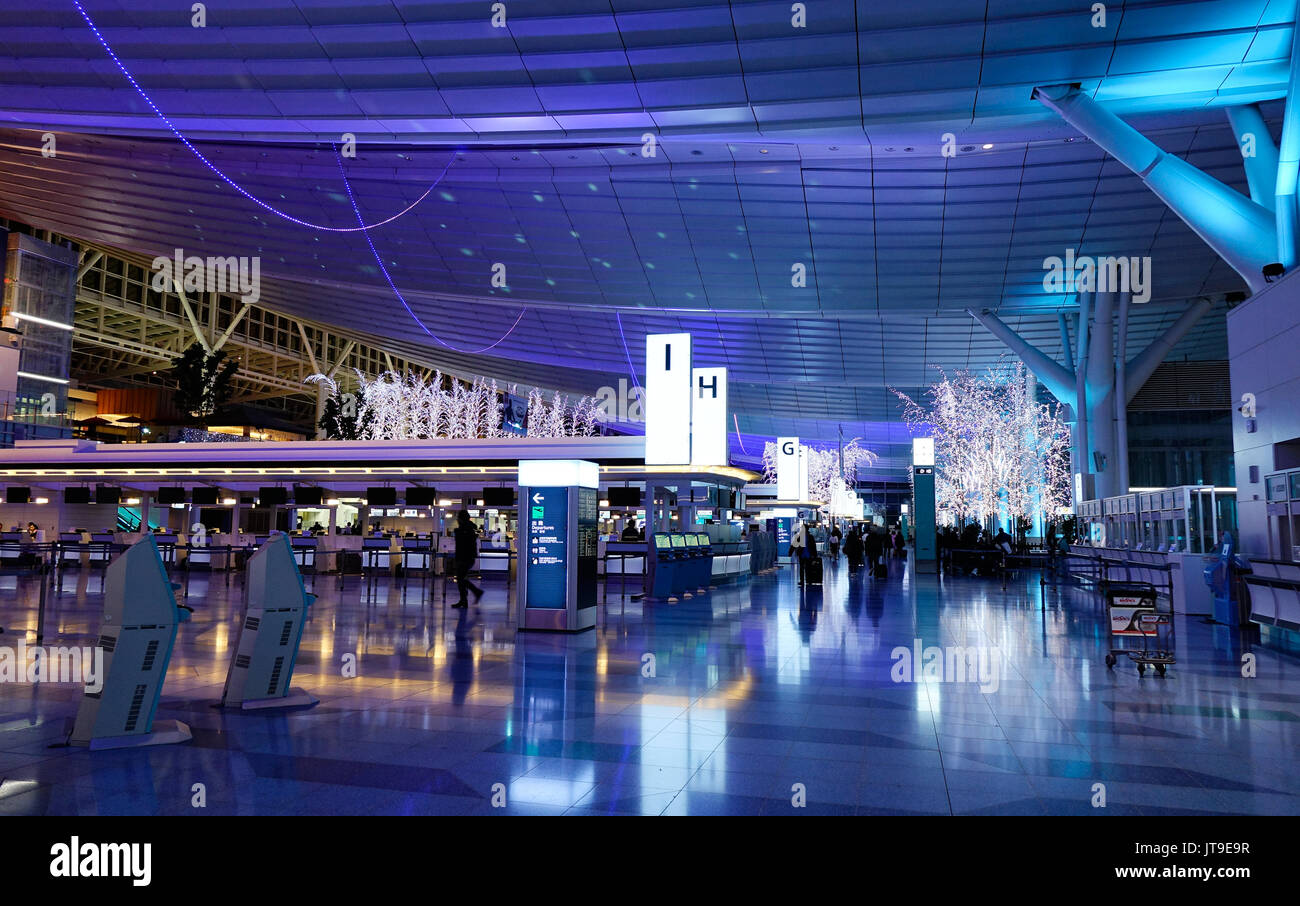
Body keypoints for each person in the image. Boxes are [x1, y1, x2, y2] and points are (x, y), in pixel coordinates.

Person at [452, 510, 483, 608]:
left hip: (464, 558)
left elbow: (463, 544)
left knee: (460, 579)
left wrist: (458, 532)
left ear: (461, 519)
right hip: (468, 557)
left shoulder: (465, 530)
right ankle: (464, 600)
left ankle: (474, 593)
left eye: (458, 518)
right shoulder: (469, 529)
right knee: (461, 579)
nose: (457, 520)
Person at [790, 519, 810, 585]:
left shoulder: (807, 537)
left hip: (805, 554)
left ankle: (805, 580)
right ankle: (805, 580)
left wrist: (790, 552)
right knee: (804, 568)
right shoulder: (806, 537)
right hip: (804, 554)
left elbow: (794, 544)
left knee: (804, 568)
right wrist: (790, 552)